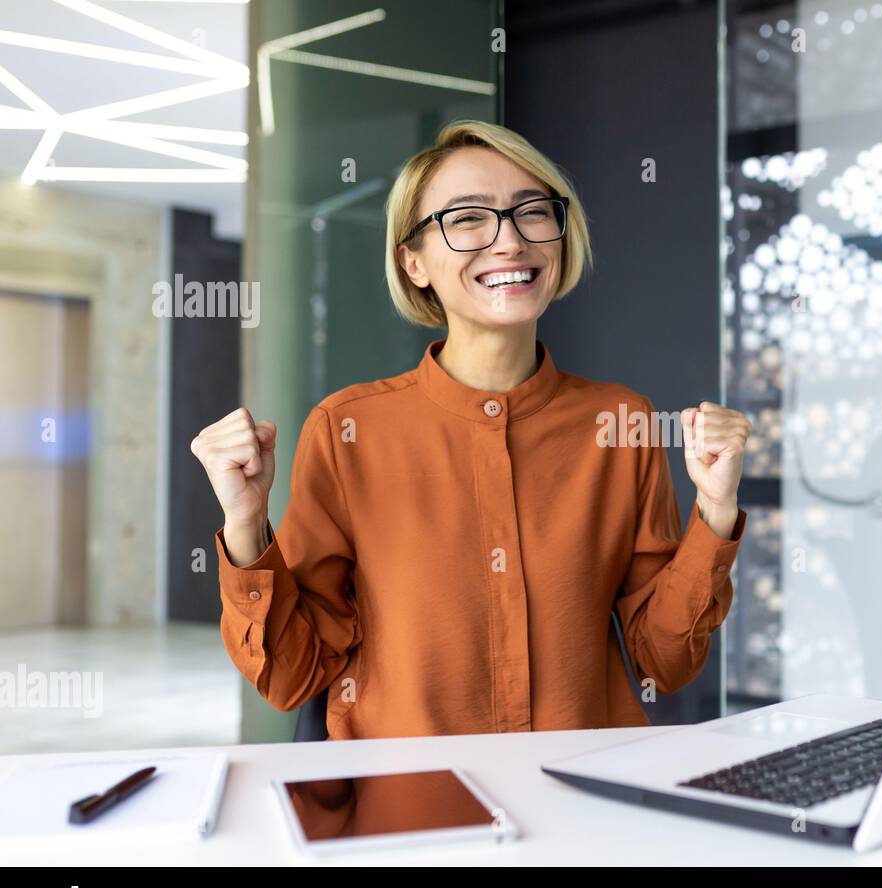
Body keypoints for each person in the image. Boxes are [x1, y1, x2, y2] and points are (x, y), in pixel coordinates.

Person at [190, 120, 752, 740]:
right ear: (414, 262)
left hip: (579, 803)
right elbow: (292, 676)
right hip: (407, 807)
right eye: (466, 220)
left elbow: (663, 661)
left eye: (532, 212)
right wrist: (245, 525)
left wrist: (716, 509)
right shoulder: (347, 430)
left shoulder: (621, 424)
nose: (509, 241)